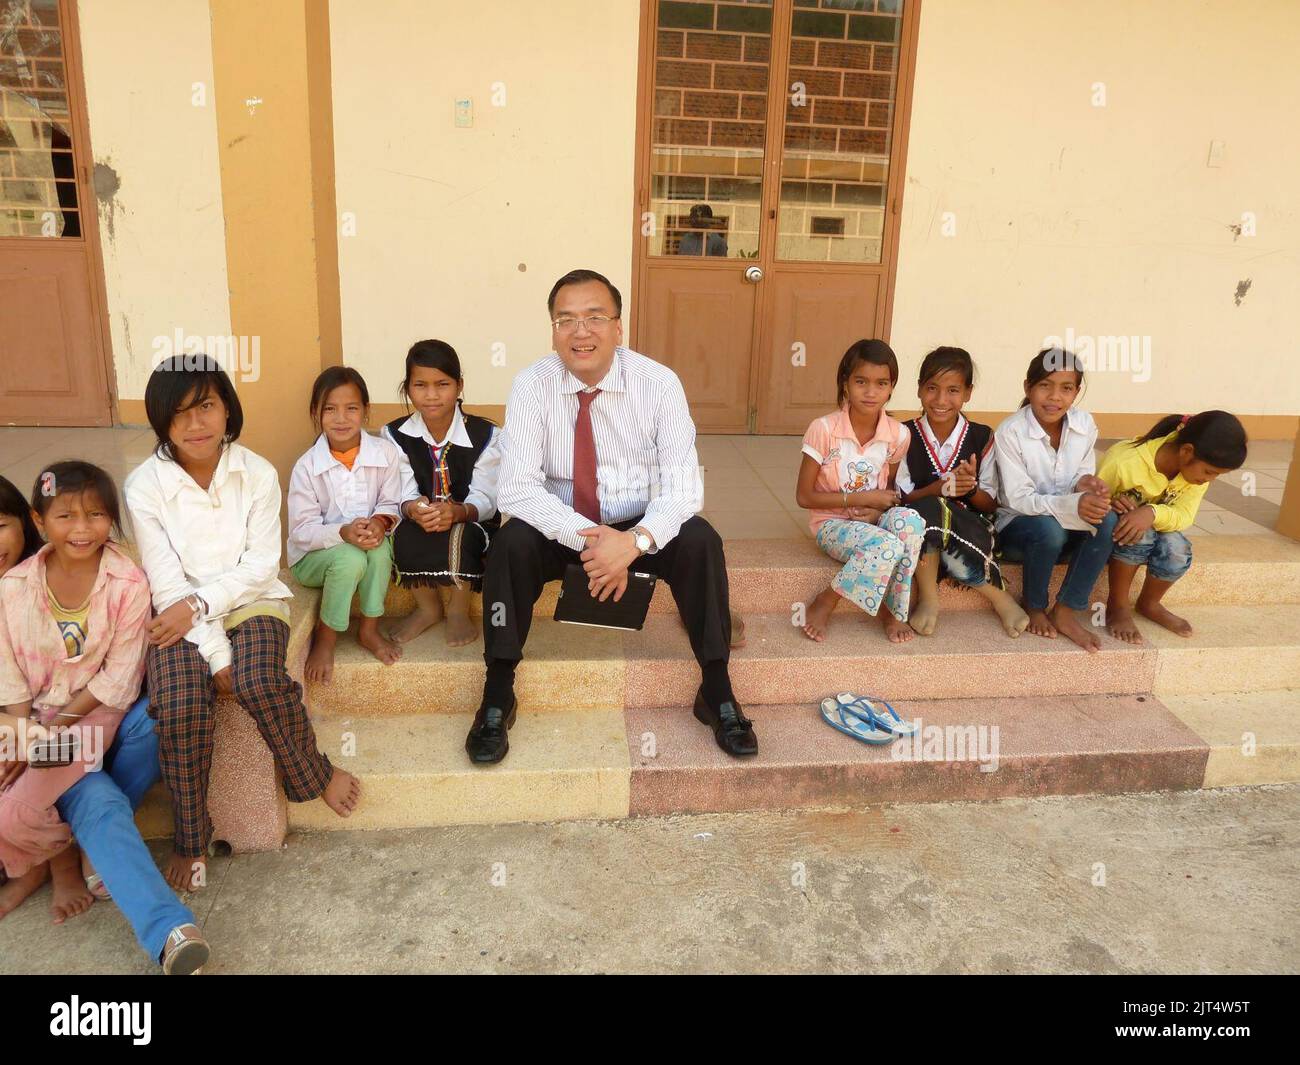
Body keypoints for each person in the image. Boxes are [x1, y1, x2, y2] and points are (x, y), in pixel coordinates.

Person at [473, 268, 753, 763]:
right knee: (510, 544)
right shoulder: (532, 384)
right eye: (567, 320)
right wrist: (588, 538)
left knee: (700, 541)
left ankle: (716, 686)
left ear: (618, 328)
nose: (581, 332)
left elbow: (684, 487)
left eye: (595, 317)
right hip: (562, 523)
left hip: (639, 523)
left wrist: (635, 542)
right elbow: (516, 489)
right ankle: (498, 688)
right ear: (554, 330)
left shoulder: (658, 383)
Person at [125, 355, 360, 895]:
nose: (196, 424)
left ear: (227, 408)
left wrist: (203, 612)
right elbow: (166, 581)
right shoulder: (144, 486)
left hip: (252, 599)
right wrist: (214, 652)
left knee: (259, 680)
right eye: (179, 413)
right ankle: (190, 831)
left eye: (206, 406)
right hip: (178, 612)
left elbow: (259, 566)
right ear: (162, 421)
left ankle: (313, 773)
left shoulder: (255, 473)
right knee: (179, 700)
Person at [0, 462, 207, 973]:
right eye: (65, 515)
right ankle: (171, 933)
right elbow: (11, 679)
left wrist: (45, 734)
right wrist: (22, 732)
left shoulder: (126, 581)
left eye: (95, 515)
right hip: (35, 724)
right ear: (39, 519)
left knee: (22, 807)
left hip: (92, 719)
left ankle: (56, 860)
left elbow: (117, 679)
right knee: (94, 803)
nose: (81, 527)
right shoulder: (15, 586)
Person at [796, 339, 925, 645]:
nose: (871, 392)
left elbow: (890, 490)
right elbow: (803, 497)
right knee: (887, 546)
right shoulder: (824, 429)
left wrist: (879, 510)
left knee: (910, 523)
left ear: (892, 386)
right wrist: (862, 499)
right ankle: (827, 599)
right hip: (832, 524)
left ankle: (895, 610)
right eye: (861, 382)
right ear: (845, 383)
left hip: (873, 521)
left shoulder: (898, 434)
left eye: (881, 383)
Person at [992, 349, 1117, 653]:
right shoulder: (1011, 432)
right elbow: (1019, 499)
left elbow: (1080, 474)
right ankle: (1034, 605)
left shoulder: (1083, 425)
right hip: (1019, 528)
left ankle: (1066, 610)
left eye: (1066, 388)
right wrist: (1072, 505)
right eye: (1045, 385)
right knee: (1049, 530)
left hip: (1063, 520)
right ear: (1028, 387)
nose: (1054, 397)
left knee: (1107, 519)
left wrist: (1085, 485)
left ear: (1076, 391)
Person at [897, 347, 1029, 638]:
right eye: (932, 388)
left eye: (953, 390)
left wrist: (969, 490)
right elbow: (900, 498)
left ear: (968, 392)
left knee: (947, 528)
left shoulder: (982, 436)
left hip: (971, 529)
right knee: (927, 510)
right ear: (919, 389)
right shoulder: (903, 434)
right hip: (921, 525)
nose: (941, 400)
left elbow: (991, 503)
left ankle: (1000, 598)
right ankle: (930, 598)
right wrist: (938, 489)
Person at [381, 340, 500, 648]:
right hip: (418, 518)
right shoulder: (393, 436)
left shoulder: (486, 435)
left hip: (470, 519)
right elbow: (400, 486)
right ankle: (428, 607)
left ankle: (458, 610)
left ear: (459, 385)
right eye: (420, 384)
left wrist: (458, 512)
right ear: (408, 388)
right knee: (401, 532)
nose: (431, 395)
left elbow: (486, 496)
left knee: (464, 535)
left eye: (442, 384)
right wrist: (415, 507)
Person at [289, 366, 404, 681]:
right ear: (316, 412)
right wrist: (341, 532)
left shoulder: (385, 453)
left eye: (351, 408)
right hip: (312, 560)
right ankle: (326, 637)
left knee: (380, 550)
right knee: (350, 556)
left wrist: (381, 522)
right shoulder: (307, 467)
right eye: (330, 409)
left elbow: (391, 501)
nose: (341, 418)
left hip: (367, 545)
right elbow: (301, 532)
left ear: (366, 411)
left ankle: (369, 629)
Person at [1100, 410, 1247, 641]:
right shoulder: (1125, 461)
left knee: (1178, 549)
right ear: (1187, 451)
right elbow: (1090, 501)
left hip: (1155, 531)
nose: (1210, 479)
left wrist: (1151, 512)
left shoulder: (1196, 476)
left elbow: (1185, 516)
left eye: (1217, 475)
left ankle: (1149, 603)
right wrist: (1111, 504)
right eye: (1209, 472)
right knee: (1140, 532)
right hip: (1116, 538)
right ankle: (1117, 606)